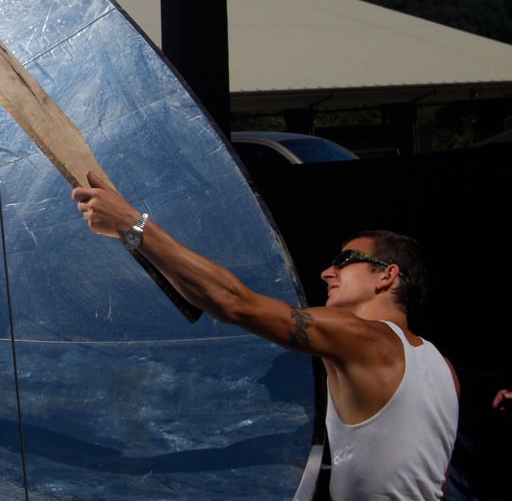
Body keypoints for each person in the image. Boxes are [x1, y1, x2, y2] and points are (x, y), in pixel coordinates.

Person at [72, 171, 459, 500]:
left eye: (344, 260)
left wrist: (131, 224)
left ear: (388, 276)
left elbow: (233, 303)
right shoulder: (444, 370)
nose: (327, 272)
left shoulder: (362, 338)